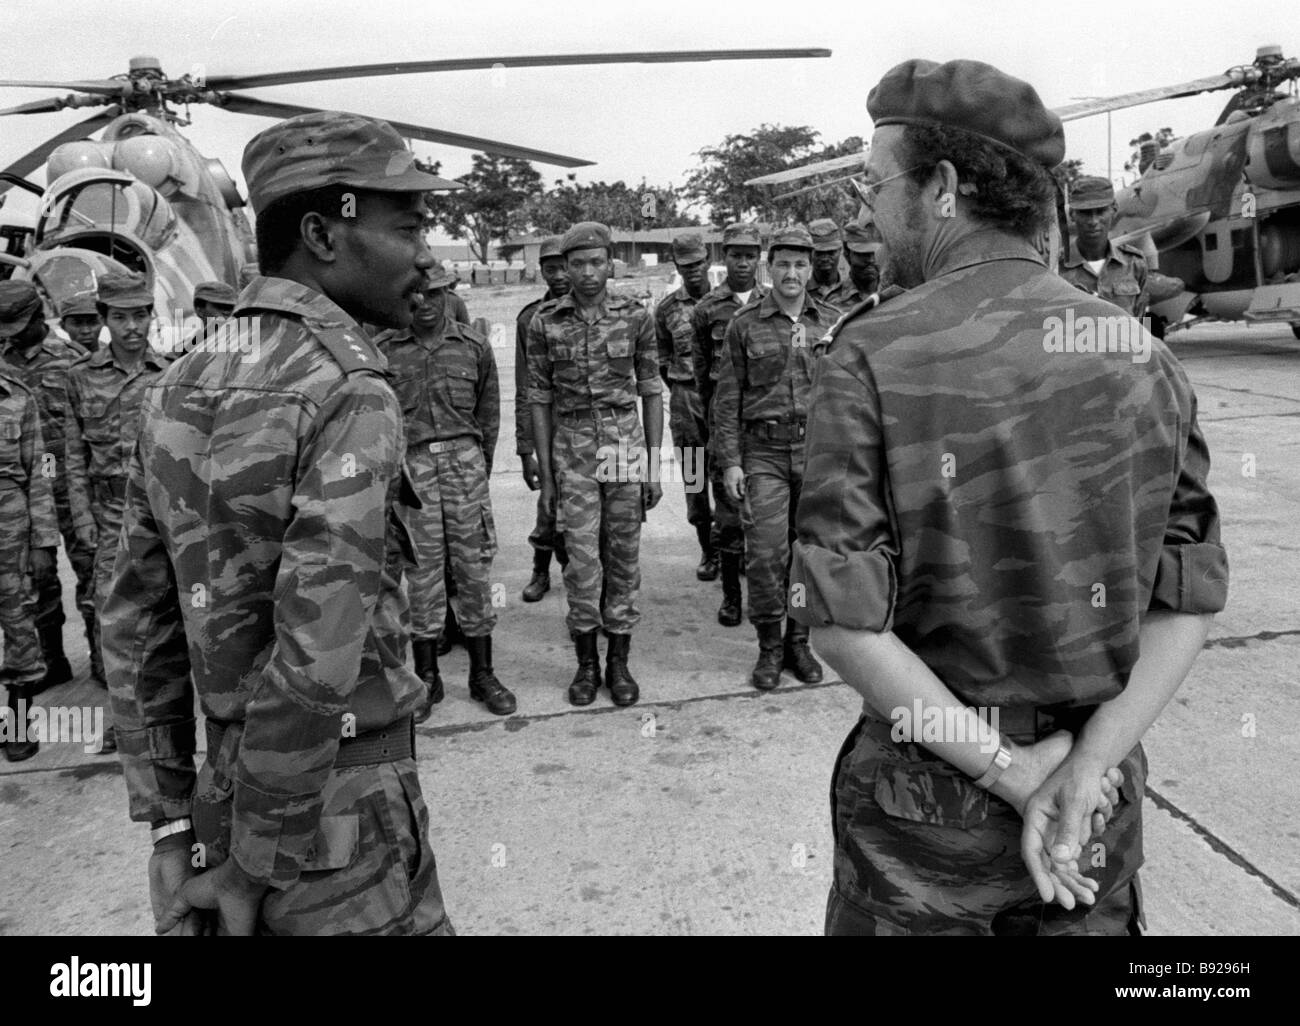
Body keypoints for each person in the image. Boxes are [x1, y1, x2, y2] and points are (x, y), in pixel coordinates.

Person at [790, 58, 1228, 935]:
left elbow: (842, 624)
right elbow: (1187, 598)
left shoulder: (874, 356)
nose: (867, 213)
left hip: (924, 838)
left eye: (877, 186)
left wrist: (1012, 774)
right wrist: (1085, 765)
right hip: (1090, 817)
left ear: (943, 187)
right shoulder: (1145, 357)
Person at [99, 111, 455, 936]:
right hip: (329, 816)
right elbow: (316, 645)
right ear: (325, 234)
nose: (427, 255)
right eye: (408, 227)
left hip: (222, 801)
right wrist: (256, 863)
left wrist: (170, 823)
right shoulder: (348, 389)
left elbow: (134, 623)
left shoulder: (176, 382)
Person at [527, 221, 663, 707]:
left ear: (611, 264)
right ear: (565, 267)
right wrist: (546, 476)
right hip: (574, 448)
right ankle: (586, 664)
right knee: (582, 563)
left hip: (623, 445)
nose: (587, 273)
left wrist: (652, 463)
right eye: (577, 264)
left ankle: (618, 663)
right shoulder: (545, 322)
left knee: (623, 558)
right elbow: (537, 399)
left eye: (596, 262)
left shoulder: (635, 316)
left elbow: (650, 390)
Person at [378, 271, 515, 719]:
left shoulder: (474, 346)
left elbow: (488, 414)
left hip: (464, 464)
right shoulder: (385, 351)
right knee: (422, 575)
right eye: (415, 293)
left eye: (435, 292)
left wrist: (479, 467)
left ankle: (483, 674)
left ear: (448, 295)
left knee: (474, 570)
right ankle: (427, 678)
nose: (425, 302)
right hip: (413, 470)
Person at [713, 226, 833, 691]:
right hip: (762, 452)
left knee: (807, 555)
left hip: (817, 451)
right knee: (765, 555)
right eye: (782, 263)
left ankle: (798, 643)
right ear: (770, 267)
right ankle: (769, 647)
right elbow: (726, 398)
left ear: (811, 268)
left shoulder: (831, 323)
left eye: (801, 264)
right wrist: (731, 462)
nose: (792, 273)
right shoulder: (744, 325)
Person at [66, 272, 172, 755]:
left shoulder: (172, 372)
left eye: (140, 315)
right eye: (121, 317)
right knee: (116, 617)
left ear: (151, 316)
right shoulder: (81, 377)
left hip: (167, 508)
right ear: (105, 320)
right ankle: (126, 720)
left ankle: (173, 713)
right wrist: (81, 516)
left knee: (177, 610)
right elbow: (71, 455)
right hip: (111, 511)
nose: (133, 327)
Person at [0, 280, 98, 692]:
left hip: (71, 486)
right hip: (25, 491)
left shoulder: (72, 361)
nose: (11, 335)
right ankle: (50, 659)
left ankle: (102, 660)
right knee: (35, 581)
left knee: (91, 574)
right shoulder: (2, 364)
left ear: (38, 317)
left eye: (18, 325)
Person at [691, 223, 765, 627]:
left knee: (769, 520)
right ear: (724, 257)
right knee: (730, 517)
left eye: (749, 254)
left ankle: (766, 596)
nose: (742, 261)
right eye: (735, 254)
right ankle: (732, 598)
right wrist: (715, 431)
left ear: (759, 258)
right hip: (727, 428)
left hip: (764, 423)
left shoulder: (771, 304)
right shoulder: (705, 309)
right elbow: (702, 377)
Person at [0, 365, 59, 761]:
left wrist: (43, 540)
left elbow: (40, 472)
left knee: (18, 617)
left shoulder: (17, 396)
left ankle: (18, 723)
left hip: (9, 521)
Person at [654, 232, 714, 580]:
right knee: (695, 479)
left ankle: (734, 547)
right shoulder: (666, 310)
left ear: (707, 261)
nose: (693, 270)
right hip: (685, 398)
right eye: (685, 265)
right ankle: (708, 550)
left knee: (732, 476)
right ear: (677, 266)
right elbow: (663, 360)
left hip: (724, 401)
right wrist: (683, 390)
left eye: (698, 263)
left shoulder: (729, 303)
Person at [516, 236, 570, 602]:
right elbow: (524, 386)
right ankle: (540, 570)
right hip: (548, 425)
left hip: (591, 425)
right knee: (549, 504)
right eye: (551, 268)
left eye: (564, 265)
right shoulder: (530, 319)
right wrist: (525, 450)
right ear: (543, 272)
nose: (561, 275)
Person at [1059, 176, 1149, 317]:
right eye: (1085, 213)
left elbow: (1140, 320)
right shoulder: (1055, 267)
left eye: (1100, 211)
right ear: (1072, 214)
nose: (1093, 221)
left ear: (1114, 209)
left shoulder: (1134, 263)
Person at [824, 222, 883, 310]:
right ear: (847, 254)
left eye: (875, 253)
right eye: (863, 254)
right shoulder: (832, 302)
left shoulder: (893, 293)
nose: (871, 260)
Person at [805, 218, 843, 302]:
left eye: (831, 252)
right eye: (819, 253)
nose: (825, 258)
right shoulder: (800, 293)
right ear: (809, 253)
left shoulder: (851, 290)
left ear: (840, 250)